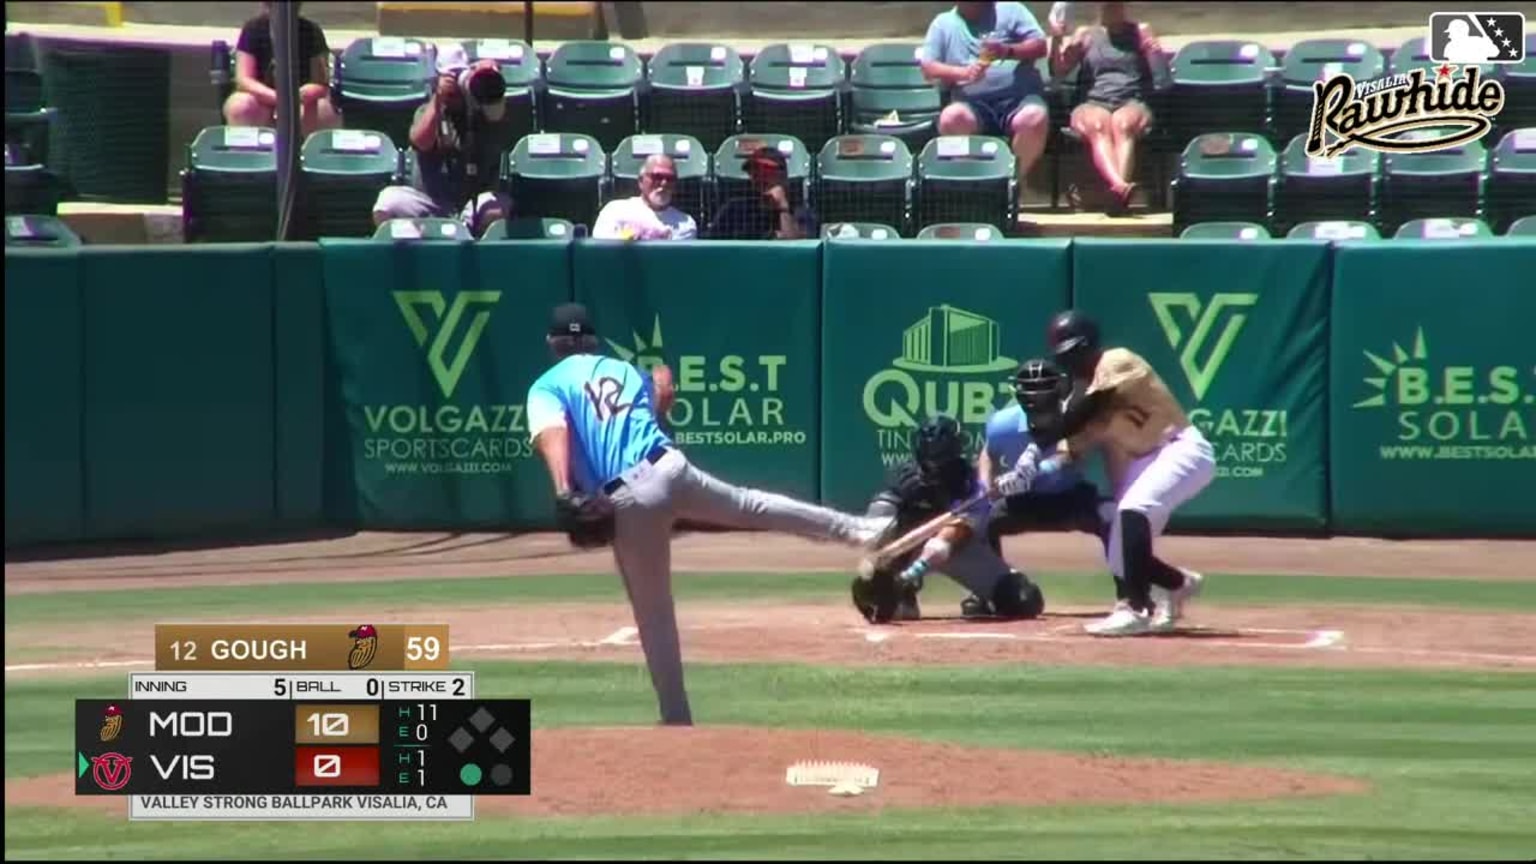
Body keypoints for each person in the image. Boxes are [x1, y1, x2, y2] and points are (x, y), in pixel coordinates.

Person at [526, 303, 896, 725]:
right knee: (751, 504)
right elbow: (661, 390)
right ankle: (860, 529)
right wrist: (661, 384)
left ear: (552, 344)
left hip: (629, 499)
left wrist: (561, 491)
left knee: (653, 611)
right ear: (593, 340)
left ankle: (676, 716)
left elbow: (555, 434)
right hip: (670, 467)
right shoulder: (623, 370)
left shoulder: (546, 386)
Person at [994, 310, 1212, 636]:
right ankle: (1178, 584)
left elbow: (1079, 415)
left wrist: (1030, 451)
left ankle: (1136, 609)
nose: (1071, 362)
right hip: (1147, 460)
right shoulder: (1085, 393)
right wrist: (1029, 473)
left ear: (1088, 346)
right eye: (1064, 356)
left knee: (1132, 509)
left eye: (1073, 353)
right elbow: (1068, 453)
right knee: (1119, 556)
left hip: (1180, 447)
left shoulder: (1116, 361)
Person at [850, 415, 1045, 624]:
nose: (934, 464)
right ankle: (897, 589)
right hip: (907, 552)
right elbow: (875, 530)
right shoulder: (903, 476)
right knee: (882, 523)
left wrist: (916, 570)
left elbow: (955, 534)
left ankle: (981, 599)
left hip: (953, 550)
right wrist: (881, 570)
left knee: (1024, 600)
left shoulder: (968, 481)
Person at [371, 43, 516, 237]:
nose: (456, 84)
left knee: (499, 207)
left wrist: (490, 80)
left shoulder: (483, 107)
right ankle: (411, 256)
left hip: (473, 205)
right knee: (387, 202)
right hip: (431, 203)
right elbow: (420, 141)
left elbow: (497, 113)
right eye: (451, 76)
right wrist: (439, 100)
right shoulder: (427, 110)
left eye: (460, 75)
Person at [918, 1, 1052, 187]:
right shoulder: (943, 23)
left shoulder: (1011, 10)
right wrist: (963, 73)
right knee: (952, 118)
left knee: (1034, 118)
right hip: (972, 104)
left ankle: (1011, 185)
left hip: (1017, 100)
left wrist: (1007, 51)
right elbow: (928, 67)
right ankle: (975, 185)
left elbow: (1040, 46)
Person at [1049, 1, 1162, 213]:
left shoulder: (1140, 31)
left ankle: (1117, 193)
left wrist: (1153, 52)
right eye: (1107, 6)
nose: (1111, 9)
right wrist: (1057, 39)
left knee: (1123, 123)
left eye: (1116, 5)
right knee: (1099, 125)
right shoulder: (1086, 34)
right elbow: (1058, 70)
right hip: (1093, 101)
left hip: (1131, 99)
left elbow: (1161, 74)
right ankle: (1119, 186)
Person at [224, 1, 340, 138]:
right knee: (240, 106)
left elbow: (320, 82)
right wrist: (278, 98)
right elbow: (244, 79)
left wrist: (309, 90)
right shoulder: (253, 29)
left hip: (300, 100)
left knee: (323, 110)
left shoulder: (311, 31)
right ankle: (246, 153)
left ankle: (308, 154)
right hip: (261, 98)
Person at [706, 146, 818, 240]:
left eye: (765, 170)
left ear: (782, 175)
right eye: (754, 171)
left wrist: (783, 208)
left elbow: (798, 253)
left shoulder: (801, 212)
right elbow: (708, 247)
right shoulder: (734, 210)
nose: (758, 176)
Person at [591, 154, 697, 240]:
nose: (664, 183)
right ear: (641, 181)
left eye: (670, 179)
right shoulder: (615, 210)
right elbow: (601, 249)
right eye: (657, 177)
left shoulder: (685, 223)